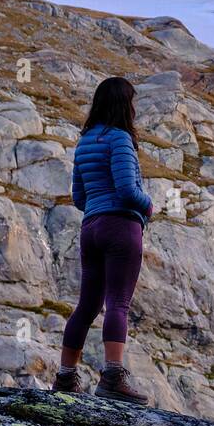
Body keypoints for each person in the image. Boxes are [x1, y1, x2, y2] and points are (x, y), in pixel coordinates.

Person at [53, 76, 153, 403]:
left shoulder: (84, 142)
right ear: (124, 105)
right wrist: (148, 204)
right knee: (118, 303)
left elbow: (78, 196)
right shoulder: (120, 139)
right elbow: (126, 190)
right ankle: (112, 376)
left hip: (91, 226)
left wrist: (98, 204)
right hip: (121, 227)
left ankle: (66, 377)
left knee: (87, 305)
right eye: (132, 102)